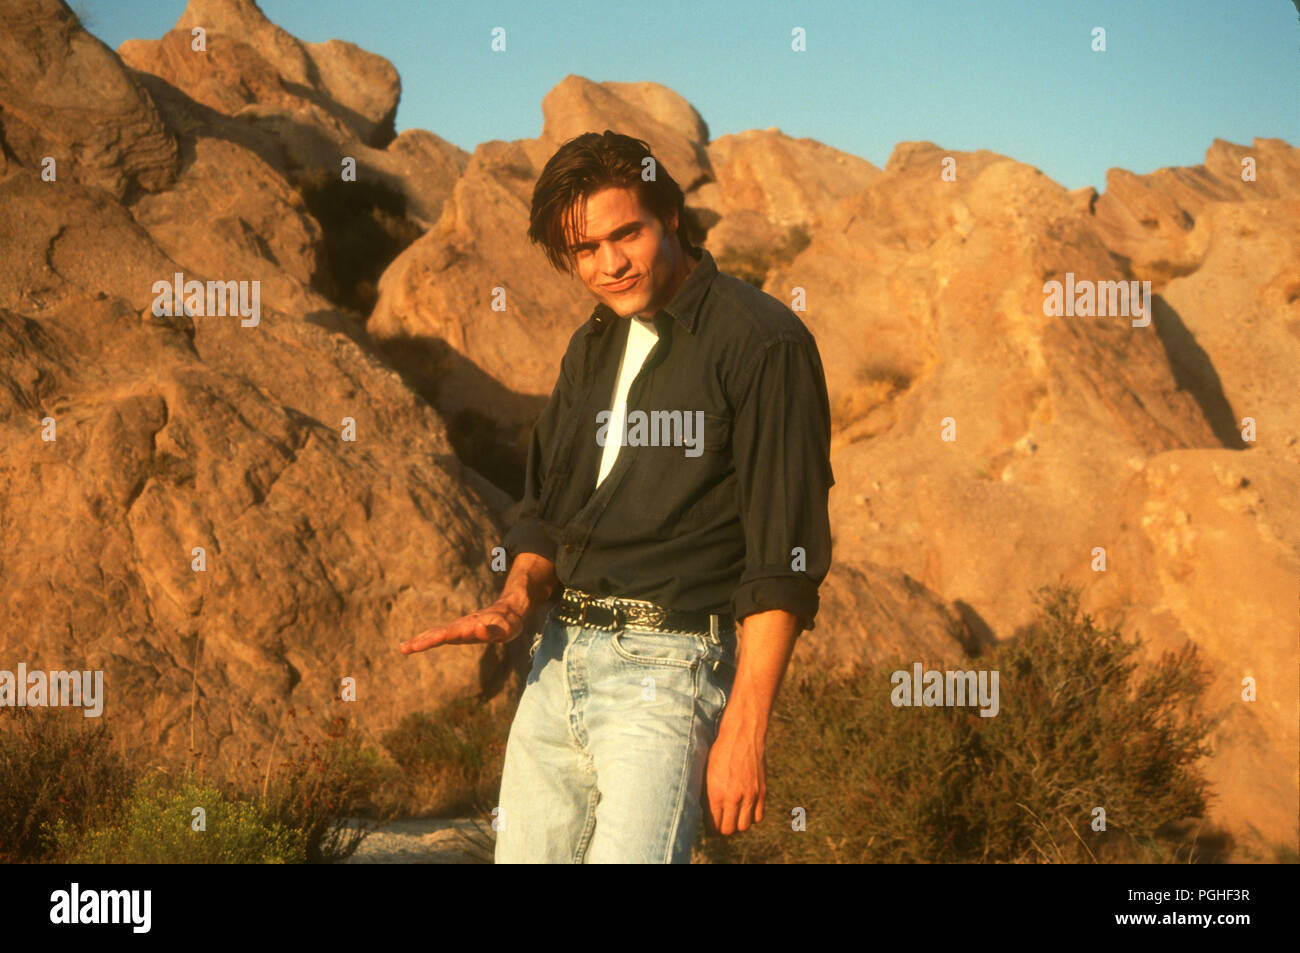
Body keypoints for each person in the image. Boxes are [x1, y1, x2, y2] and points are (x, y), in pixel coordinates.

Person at [401, 129, 834, 863]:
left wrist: (744, 727)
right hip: (557, 660)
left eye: (625, 233)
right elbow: (546, 507)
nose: (610, 264)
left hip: (666, 674)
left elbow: (782, 555)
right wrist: (516, 599)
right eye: (584, 250)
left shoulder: (762, 342)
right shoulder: (592, 345)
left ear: (668, 214)